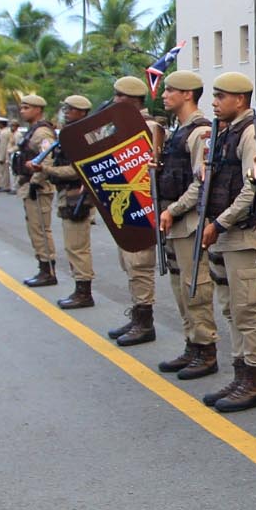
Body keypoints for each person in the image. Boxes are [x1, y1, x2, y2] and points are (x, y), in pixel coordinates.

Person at [199, 72, 256, 413]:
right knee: (231, 308)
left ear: (240, 100)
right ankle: (241, 373)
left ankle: (255, 381)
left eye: (220, 96)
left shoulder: (249, 134)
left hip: (242, 235)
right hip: (224, 235)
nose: (214, 102)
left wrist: (220, 222)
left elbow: (251, 188)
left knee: (249, 310)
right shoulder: (223, 132)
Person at [155, 71, 219, 381]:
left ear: (188, 95)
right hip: (173, 219)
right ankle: (192, 343)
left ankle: (206, 349)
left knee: (196, 288)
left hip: (189, 220)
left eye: (171, 90)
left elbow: (200, 183)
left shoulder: (200, 133)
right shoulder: (177, 131)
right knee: (180, 286)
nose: (164, 95)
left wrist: (175, 210)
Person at [104, 76, 161, 347]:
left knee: (139, 264)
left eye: (118, 96)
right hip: (126, 202)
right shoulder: (124, 127)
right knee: (128, 262)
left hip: (143, 205)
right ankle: (137, 312)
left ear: (131, 100)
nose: (114, 100)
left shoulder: (149, 128)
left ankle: (144, 321)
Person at [41, 95, 97, 310]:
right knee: (73, 245)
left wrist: (46, 170)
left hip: (78, 195)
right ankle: (80, 287)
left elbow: (79, 168)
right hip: (67, 193)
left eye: (71, 109)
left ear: (82, 112)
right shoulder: (71, 134)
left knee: (77, 246)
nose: (66, 111)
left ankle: (84, 291)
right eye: (65, 108)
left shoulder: (82, 136)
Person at [13, 95, 59, 287]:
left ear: (38, 110)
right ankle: (43, 266)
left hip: (38, 187)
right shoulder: (33, 131)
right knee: (35, 228)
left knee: (40, 229)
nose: (22, 111)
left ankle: (48, 270)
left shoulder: (42, 133)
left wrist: (35, 182)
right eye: (22, 107)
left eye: (26, 108)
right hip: (29, 184)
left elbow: (47, 159)